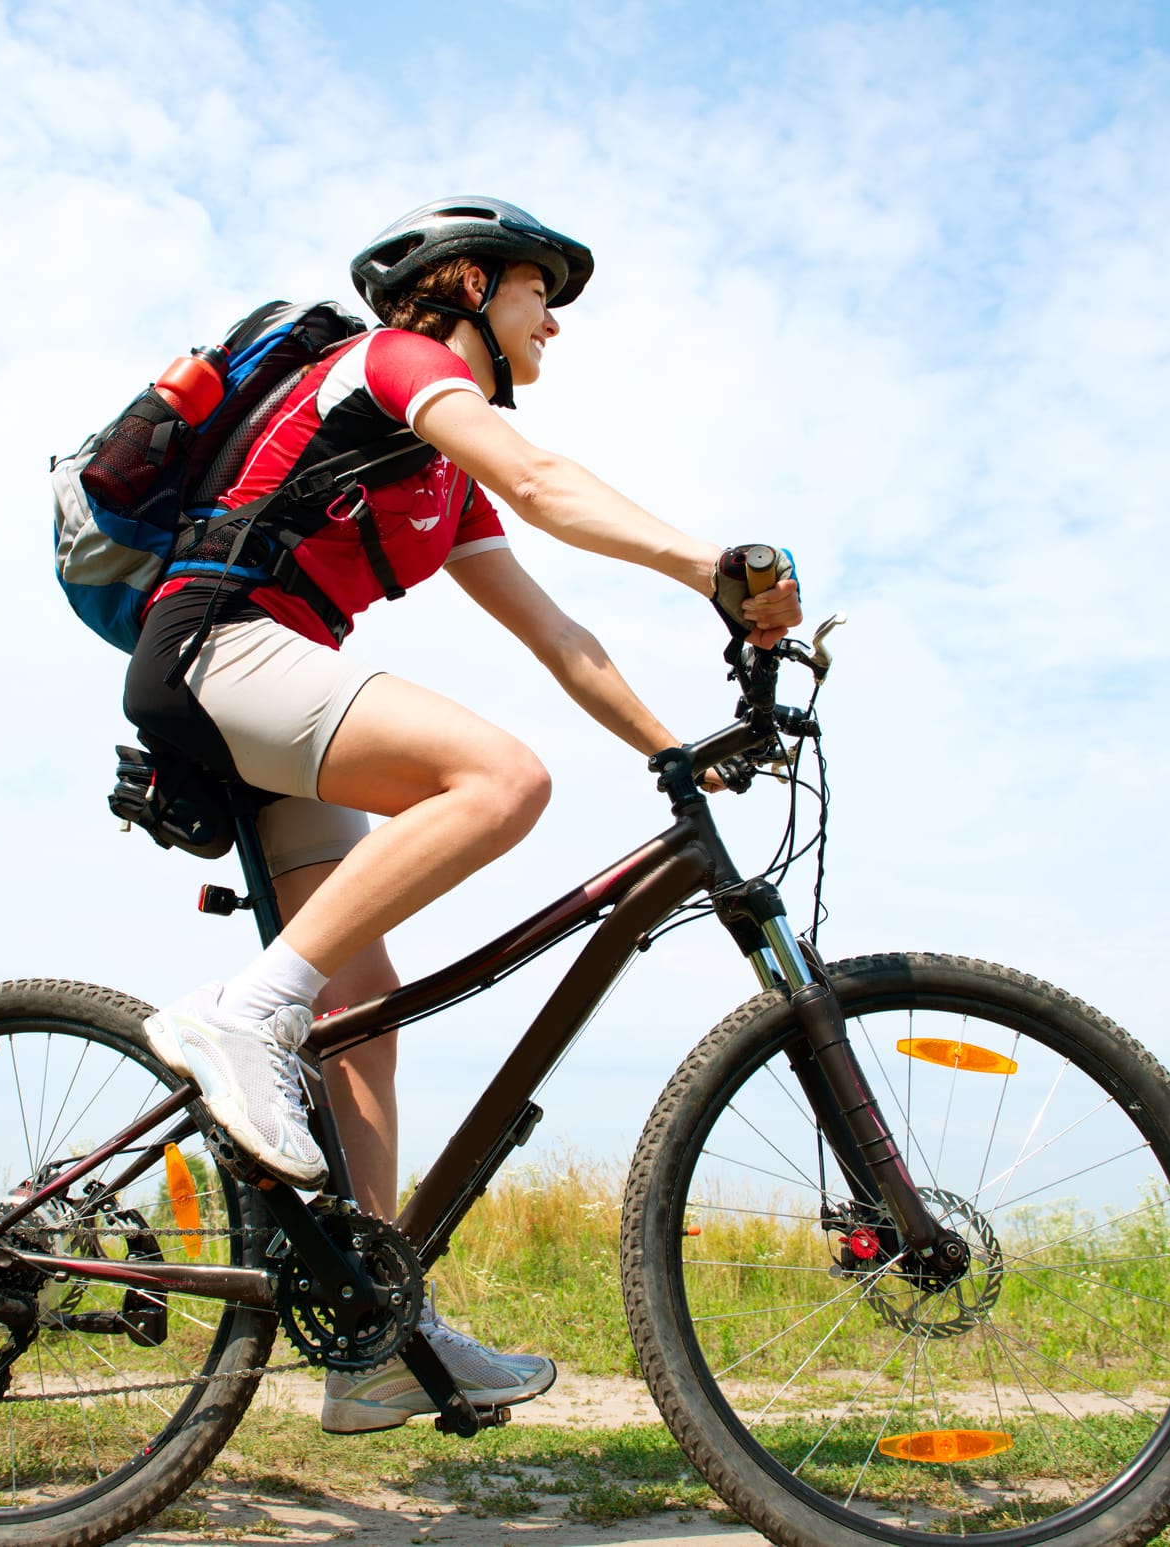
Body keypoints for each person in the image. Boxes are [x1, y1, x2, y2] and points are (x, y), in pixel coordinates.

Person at [123, 197, 802, 1433]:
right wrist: (711, 563)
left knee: (361, 1014)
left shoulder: (445, 482)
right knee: (498, 780)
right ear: (473, 286)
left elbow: (559, 634)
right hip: (217, 644)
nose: (556, 326)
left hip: (270, 682)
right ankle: (235, 1018)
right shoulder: (395, 362)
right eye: (545, 296)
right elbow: (543, 482)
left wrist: (672, 753)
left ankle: (371, 1336)